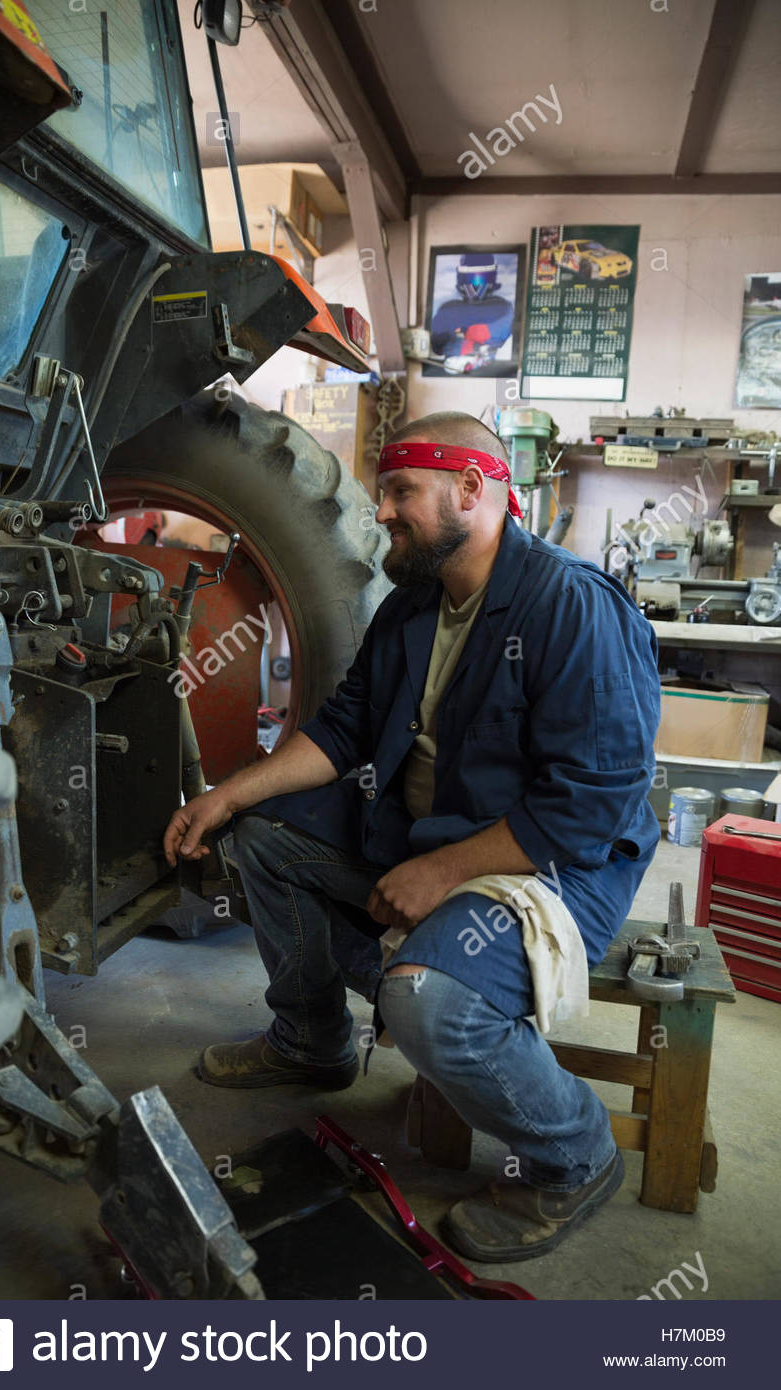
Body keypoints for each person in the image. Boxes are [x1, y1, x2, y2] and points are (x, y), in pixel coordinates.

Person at [163, 411, 661, 1263]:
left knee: (429, 1000)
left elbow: (593, 803)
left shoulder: (570, 605)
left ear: (471, 489)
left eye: (401, 492)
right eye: (382, 491)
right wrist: (224, 795)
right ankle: (310, 1040)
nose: (382, 510)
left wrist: (443, 872)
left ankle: (575, 1155)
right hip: (432, 832)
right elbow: (344, 729)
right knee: (260, 835)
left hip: (551, 864)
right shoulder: (412, 606)